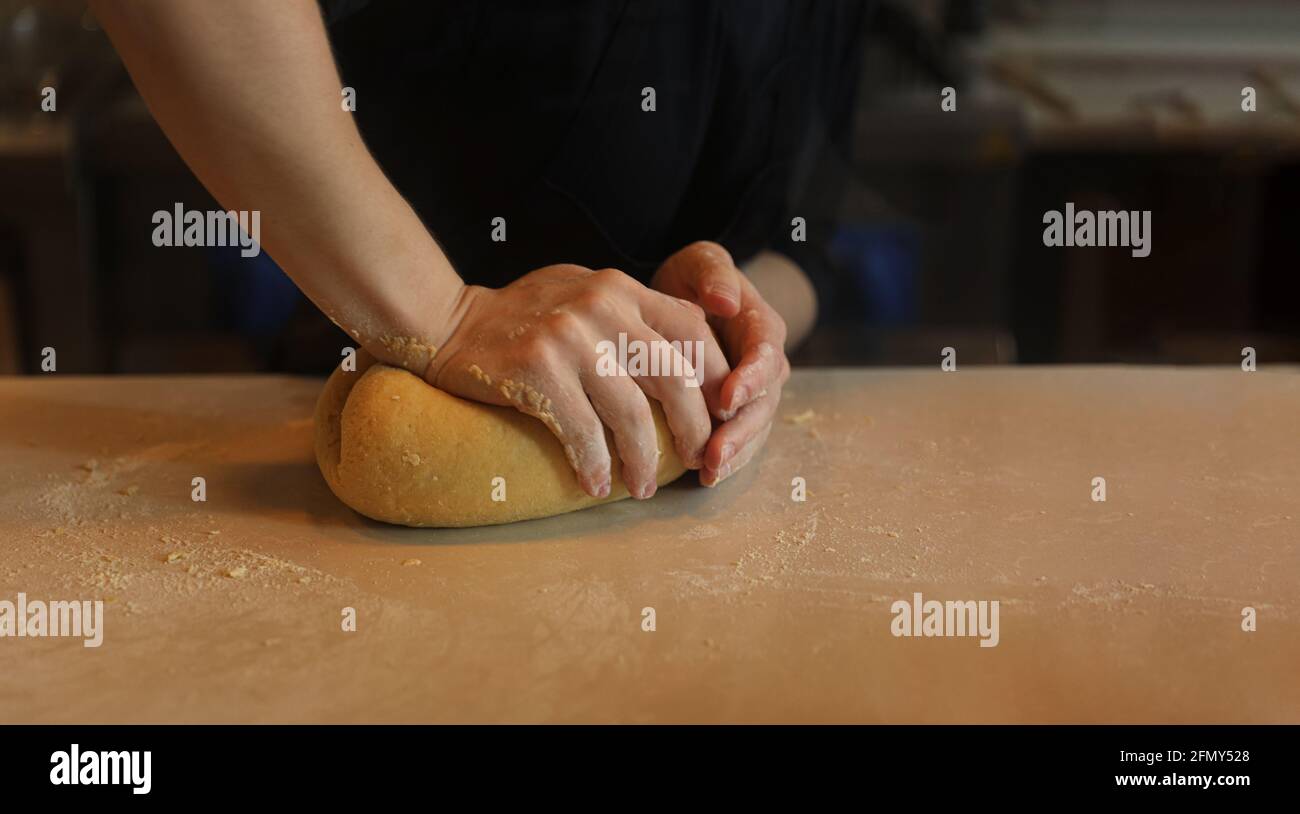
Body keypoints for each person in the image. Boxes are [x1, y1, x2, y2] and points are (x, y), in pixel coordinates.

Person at [89, 0, 866, 499]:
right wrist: (443, 314)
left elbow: (802, 244)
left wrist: (720, 336)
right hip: (349, 365)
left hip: (653, 434)